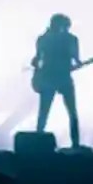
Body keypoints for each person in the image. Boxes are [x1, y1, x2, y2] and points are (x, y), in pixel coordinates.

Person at [32, 13, 81, 147]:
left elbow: (36, 60)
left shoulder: (44, 39)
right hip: (58, 77)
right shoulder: (70, 39)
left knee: (45, 111)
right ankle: (75, 143)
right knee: (69, 112)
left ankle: (38, 140)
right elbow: (76, 59)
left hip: (52, 77)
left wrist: (37, 75)